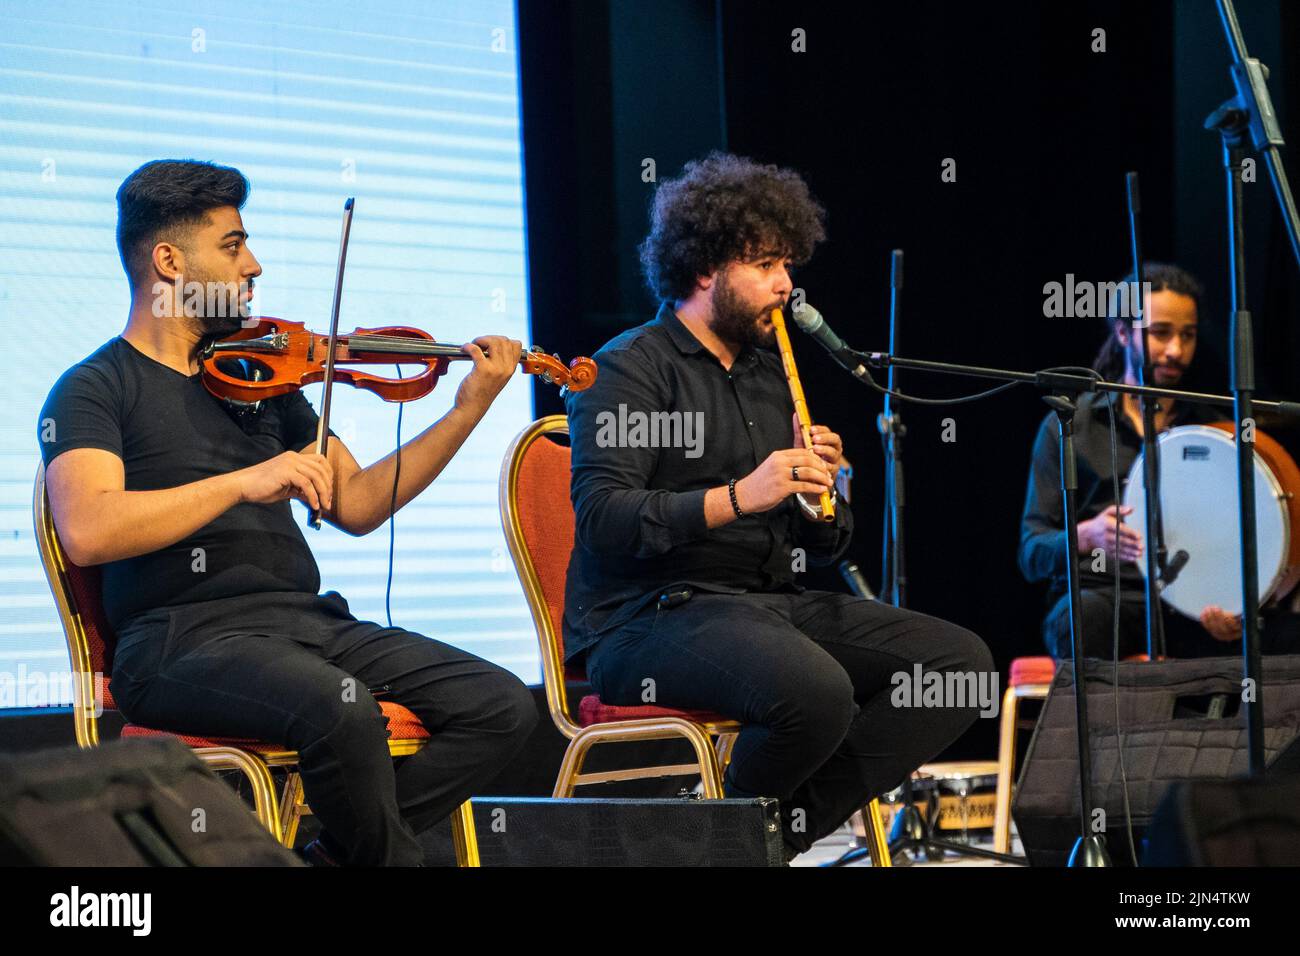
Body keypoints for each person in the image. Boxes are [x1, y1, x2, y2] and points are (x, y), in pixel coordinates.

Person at [37, 159, 537, 866]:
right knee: (339, 706)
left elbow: (358, 504)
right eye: (234, 245)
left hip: (305, 624)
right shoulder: (92, 389)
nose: (255, 265)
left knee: (501, 706)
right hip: (181, 640)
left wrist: (467, 409)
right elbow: (89, 530)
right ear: (170, 261)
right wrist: (243, 483)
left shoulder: (259, 377)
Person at [563, 152, 994, 861]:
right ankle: (735, 843)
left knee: (958, 666)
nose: (786, 286)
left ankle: (758, 841)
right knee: (816, 693)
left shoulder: (771, 374)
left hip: (765, 605)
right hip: (645, 618)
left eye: (789, 265)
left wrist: (823, 499)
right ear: (705, 269)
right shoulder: (628, 367)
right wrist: (743, 495)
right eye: (766, 265)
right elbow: (606, 521)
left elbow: (822, 547)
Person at [1019, 262, 1297, 659]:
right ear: (1121, 331)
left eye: (1188, 335)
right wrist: (1087, 535)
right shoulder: (1070, 425)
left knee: (1284, 636)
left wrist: (1236, 609)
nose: (1175, 350)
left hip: (1192, 610)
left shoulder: (1213, 428)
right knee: (1085, 617)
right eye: (1160, 333)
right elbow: (1030, 553)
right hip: (1108, 598)